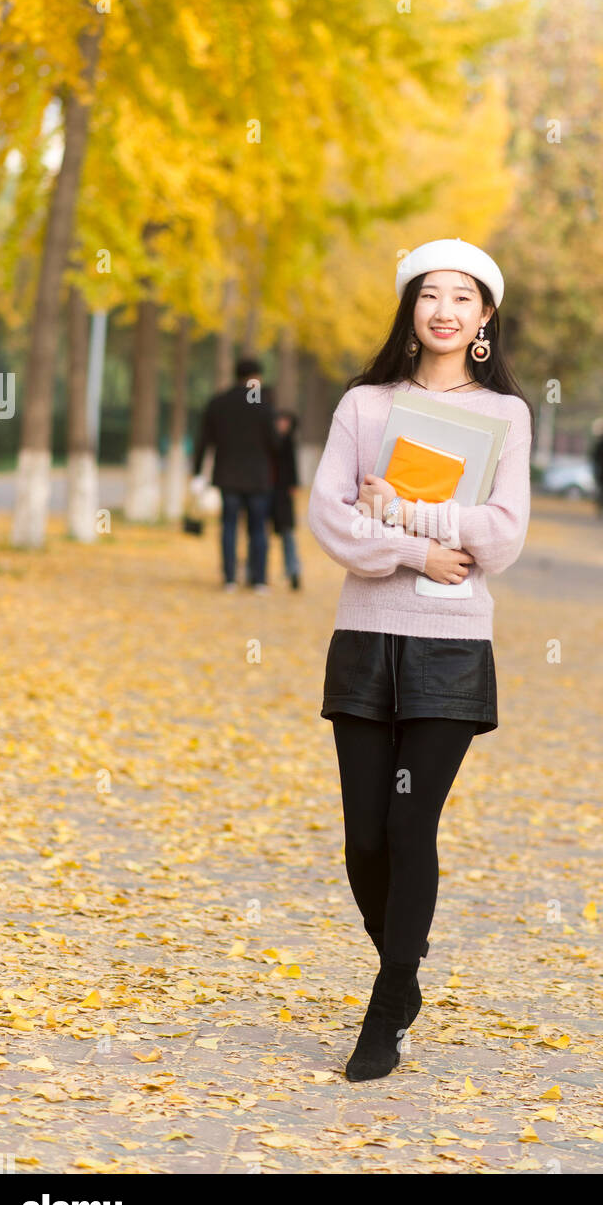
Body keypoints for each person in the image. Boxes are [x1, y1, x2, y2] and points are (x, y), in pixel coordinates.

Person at [307, 238, 533, 1082]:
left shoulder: (505, 416)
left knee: (410, 824)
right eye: (428, 295)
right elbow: (330, 521)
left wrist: (396, 511)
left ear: (483, 320)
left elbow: (502, 537)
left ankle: (386, 1003)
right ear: (410, 311)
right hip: (366, 639)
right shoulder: (364, 407)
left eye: (461, 298)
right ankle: (403, 974)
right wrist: (419, 547)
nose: (443, 310)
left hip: (451, 646)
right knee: (363, 839)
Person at [191, 356, 280, 592]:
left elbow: (204, 441)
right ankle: (258, 579)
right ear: (256, 377)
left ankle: (230, 578)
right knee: (258, 529)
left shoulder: (219, 402)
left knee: (228, 526)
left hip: (227, 475)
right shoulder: (263, 403)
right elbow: (275, 442)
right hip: (257, 478)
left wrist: (197, 473)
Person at [269, 409, 302, 590]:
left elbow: (293, 467)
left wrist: (293, 487)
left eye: (286, 422)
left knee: (287, 534)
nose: (282, 425)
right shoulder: (268, 440)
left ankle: (293, 571)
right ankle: (256, 572)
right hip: (266, 491)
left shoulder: (289, 442)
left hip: (283, 495)